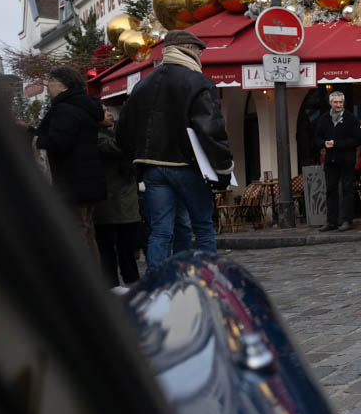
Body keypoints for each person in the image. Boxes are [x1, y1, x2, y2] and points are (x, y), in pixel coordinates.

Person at [117, 29, 233, 268]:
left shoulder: (143, 84)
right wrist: (223, 167)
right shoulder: (198, 81)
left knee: (160, 231)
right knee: (202, 226)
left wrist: (136, 161)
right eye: (199, 51)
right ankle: (206, 278)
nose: (201, 55)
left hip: (152, 169)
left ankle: (158, 284)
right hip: (187, 166)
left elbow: (124, 130)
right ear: (190, 50)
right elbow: (210, 128)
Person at [33, 66, 105, 255]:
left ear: (63, 85)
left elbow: (59, 141)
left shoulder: (64, 109)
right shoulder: (83, 106)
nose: (47, 86)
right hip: (87, 180)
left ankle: (84, 283)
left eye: (51, 81)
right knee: (87, 231)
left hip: (72, 183)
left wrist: (38, 139)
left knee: (77, 234)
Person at [95, 106, 141, 287]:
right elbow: (119, 148)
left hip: (125, 202)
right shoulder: (97, 137)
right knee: (108, 249)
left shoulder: (112, 134)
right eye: (104, 111)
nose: (109, 113)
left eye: (109, 110)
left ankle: (131, 282)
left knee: (126, 249)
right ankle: (114, 285)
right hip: (109, 202)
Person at [315, 90, 361, 232]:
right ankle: (331, 222)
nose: (338, 104)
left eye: (341, 102)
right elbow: (316, 138)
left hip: (347, 160)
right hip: (330, 161)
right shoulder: (323, 119)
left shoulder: (351, 118)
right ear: (330, 103)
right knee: (330, 191)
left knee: (347, 190)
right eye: (336, 102)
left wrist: (337, 143)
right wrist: (324, 143)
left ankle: (347, 220)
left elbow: (357, 140)